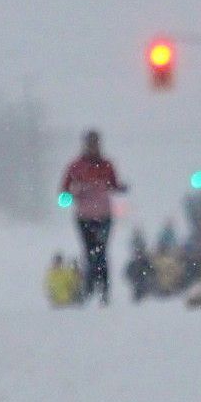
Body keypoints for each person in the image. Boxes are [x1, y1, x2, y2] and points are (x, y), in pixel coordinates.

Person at [59, 130, 127, 304]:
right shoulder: (76, 167)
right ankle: (89, 287)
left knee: (101, 252)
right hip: (84, 217)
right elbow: (64, 189)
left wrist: (120, 188)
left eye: (95, 143)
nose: (93, 147)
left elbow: (114, 184)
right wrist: (73, 194)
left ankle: (103, 290)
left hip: (104, 215)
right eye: (90, 143)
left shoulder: (106, 165)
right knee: (90, 252)